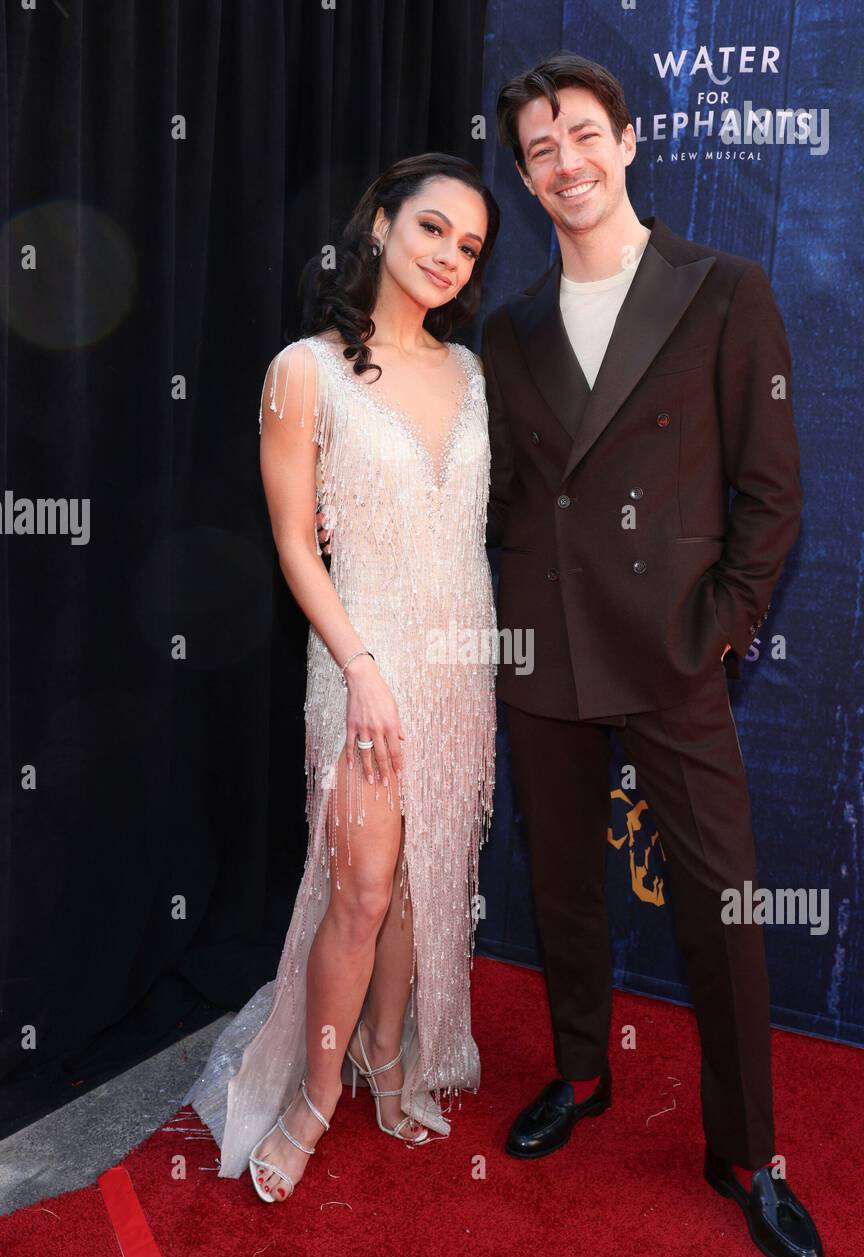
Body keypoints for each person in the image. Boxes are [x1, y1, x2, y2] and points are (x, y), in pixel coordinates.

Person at [477, 51, 824, 1257]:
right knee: (561, 885)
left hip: (673, 653)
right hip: (543, 649)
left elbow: (772, 491)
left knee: (724, 906)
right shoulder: (507, 328)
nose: (563, 162)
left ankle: (745, 1153)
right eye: (537, 150)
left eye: (580, 134)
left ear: (627, 141)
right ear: (522, 178)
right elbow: (505, 495)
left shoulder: (726, 290)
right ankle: (581, 1073)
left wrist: (723, 625)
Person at [183, 153, 500, 1202]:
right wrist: (360, 666)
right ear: (379, 225)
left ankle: (388, 1055)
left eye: (469, 247)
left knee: (422, 881)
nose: (449, 257)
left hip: (459, 656)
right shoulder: (301, 370)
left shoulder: (471, 373)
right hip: (362, 660)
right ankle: (316, 1091)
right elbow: (295, 546)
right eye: (432, 230)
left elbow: (456, 527)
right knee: (362, 890)